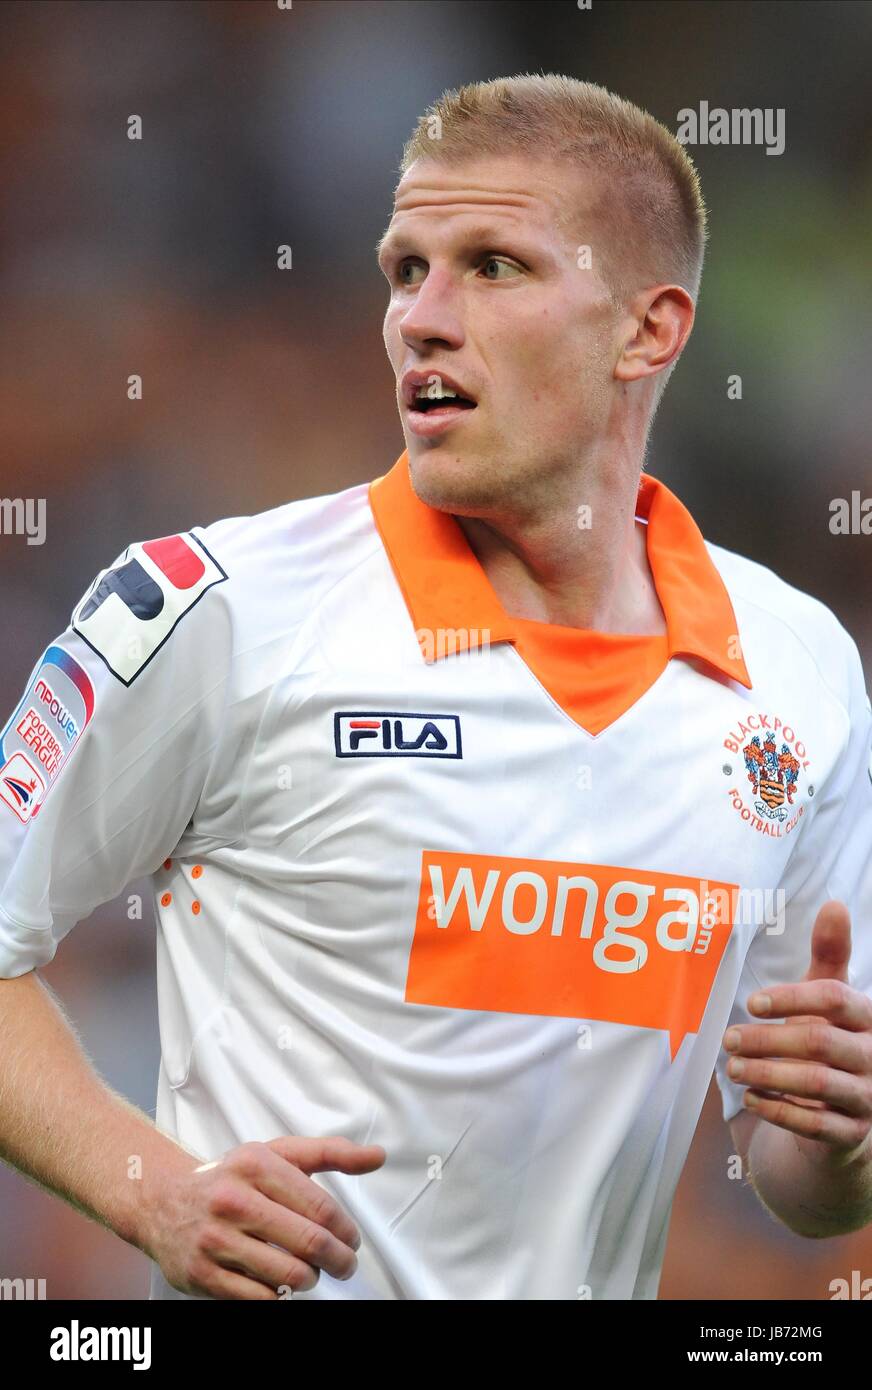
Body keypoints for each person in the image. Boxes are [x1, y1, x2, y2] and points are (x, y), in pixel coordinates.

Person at [1, 74, 871, 1302]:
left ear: (647, 330)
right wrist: (152, 1191)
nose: (420, 317)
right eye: (405, 269)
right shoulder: (211, 608)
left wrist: (839, 1136)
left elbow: (796, 1180)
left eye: (493, 266)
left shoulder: (797, 670)